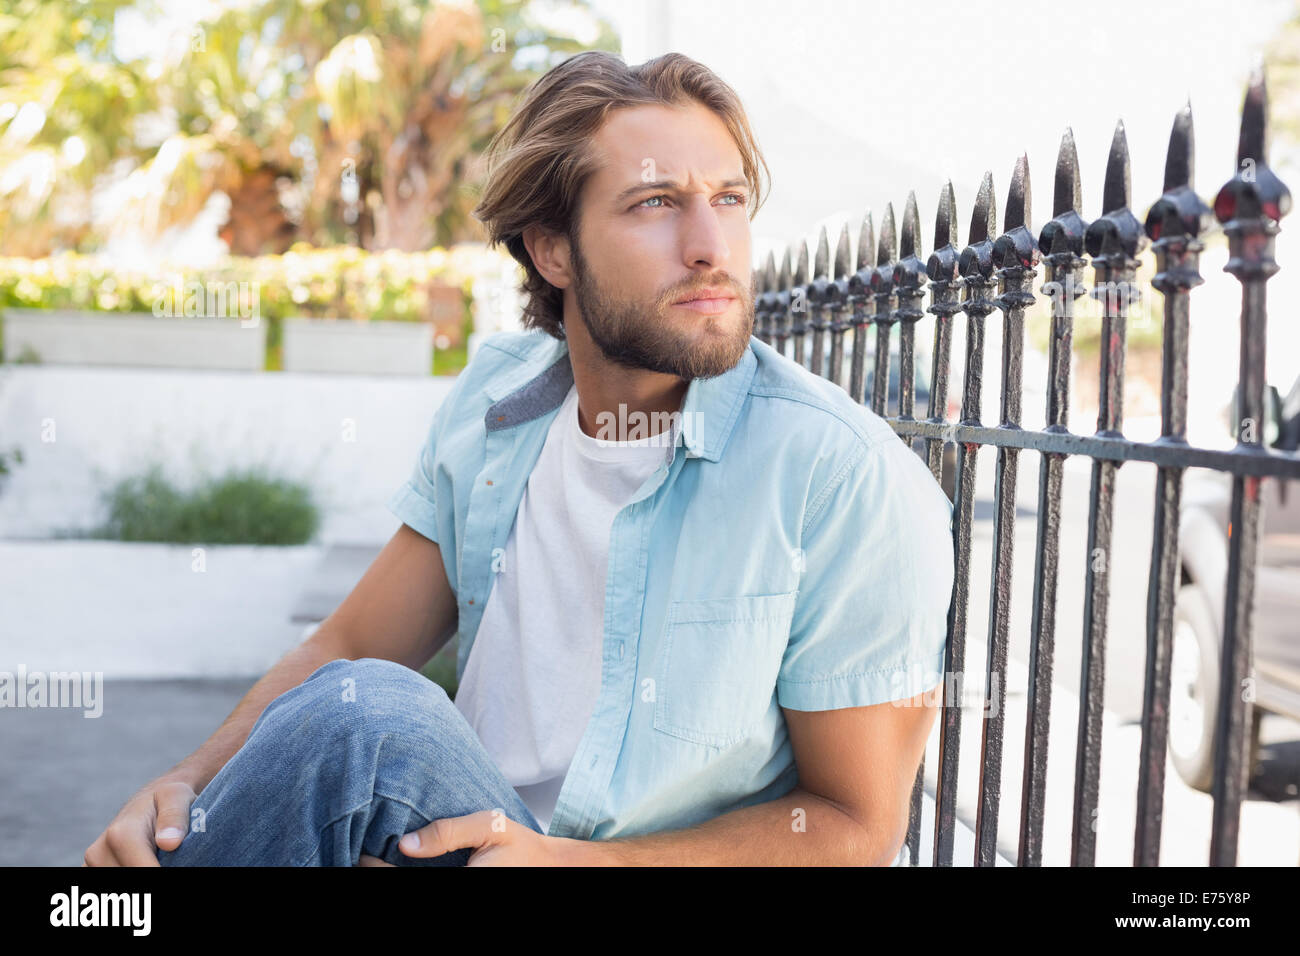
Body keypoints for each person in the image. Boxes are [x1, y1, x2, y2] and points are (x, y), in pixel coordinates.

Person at [83, 49, 955, 868]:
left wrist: (581, 866)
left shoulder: (843, 479)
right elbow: (353, 640)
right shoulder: (499, 403)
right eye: (656, 203)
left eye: (728, 199)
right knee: (353, 704)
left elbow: (853, 826)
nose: (710, 246)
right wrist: (190, 783)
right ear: (550, 249)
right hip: (449, 835)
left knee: (374, 722)